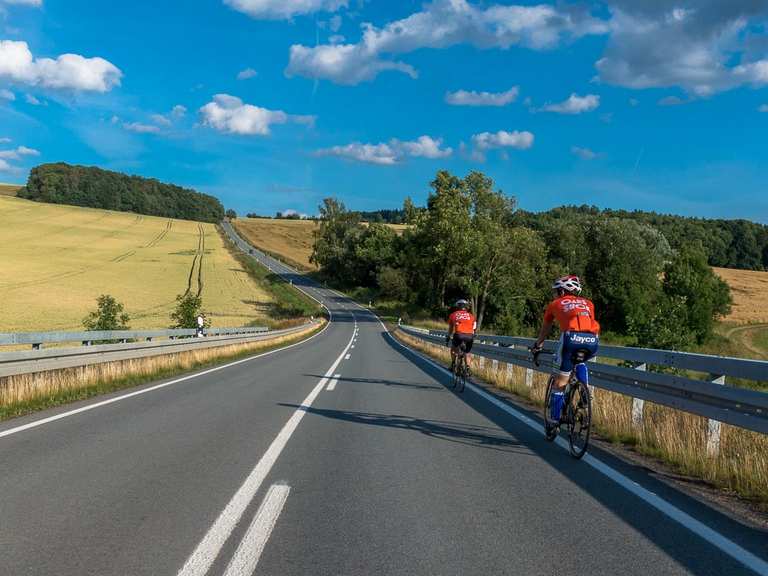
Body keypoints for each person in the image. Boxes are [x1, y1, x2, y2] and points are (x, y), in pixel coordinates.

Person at [532, 275, 600, 423]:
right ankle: (585, 391)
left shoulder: (555, 304)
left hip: (571, 338)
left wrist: (538, 345)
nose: (555, 294)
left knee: (560, 382)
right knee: (581, 361)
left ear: (562, 291)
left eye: (556, 291)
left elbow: (546, 327)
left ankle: (555, 420)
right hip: (593, 340)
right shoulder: (589, 303)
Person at [446, 299, 477, 373]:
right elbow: (474, 328)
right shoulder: (471, 316)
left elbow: (451, 328)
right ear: (466, 307)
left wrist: (448, 336)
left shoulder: (453, 315)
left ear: (457, 307)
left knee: (453, 349)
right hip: (469, 336)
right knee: (467, 352)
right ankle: (468, 368)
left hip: (459, 335)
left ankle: (453, 364)